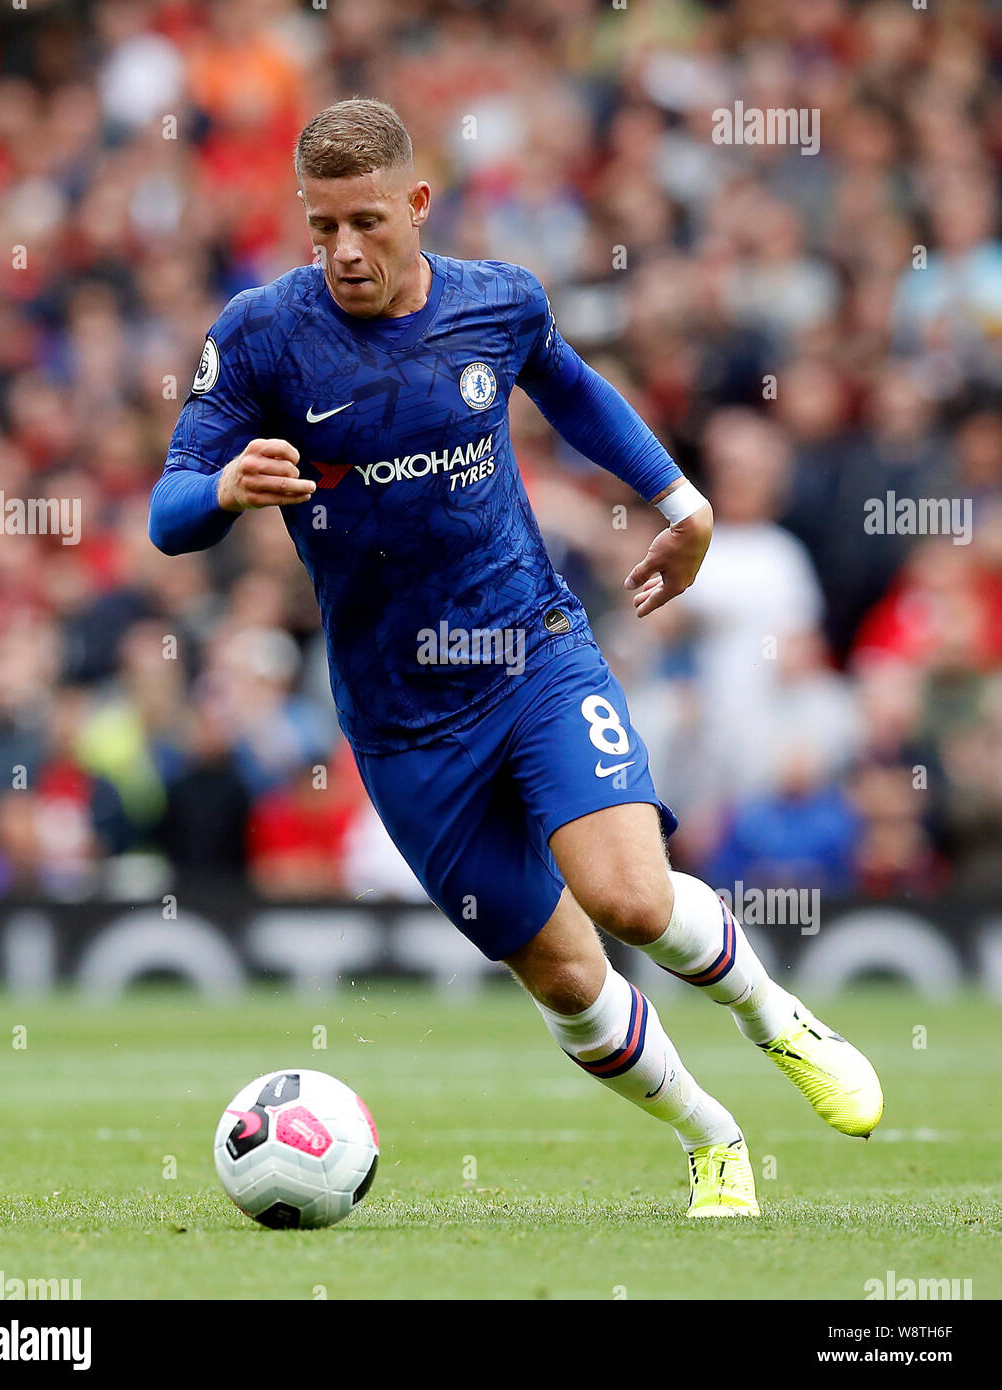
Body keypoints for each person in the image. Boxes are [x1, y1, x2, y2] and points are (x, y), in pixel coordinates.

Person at [149, 98, 883, 1218]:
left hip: (530, 651)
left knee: (630, 899)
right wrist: (222, 489)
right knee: (569, 976)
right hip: (402, 725)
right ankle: (714, 1136)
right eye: (322, 226)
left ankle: (776, 1015)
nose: (344, 249)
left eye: (367, 221)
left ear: (420, 206)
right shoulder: (260, 336)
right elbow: (166, 513)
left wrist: (678, 500)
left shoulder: (499, 302)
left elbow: (575, 390)